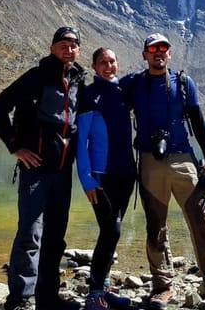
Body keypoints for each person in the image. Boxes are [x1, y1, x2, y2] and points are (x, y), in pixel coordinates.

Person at [123, 33, 205, 310]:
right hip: (149, 161)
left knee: (202, 223)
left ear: (170, 53)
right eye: (153, 49)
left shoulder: (184, 83)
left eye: (163, 48)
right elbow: (107, 104)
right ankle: (162, 287)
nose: (158, 52)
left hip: (184, 160)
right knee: (155, 227)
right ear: (144, 55)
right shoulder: (133, 84)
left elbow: (198, 121)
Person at [0, 26, 86, 310]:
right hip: (36, 169)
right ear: (52, 48)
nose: (68, 49)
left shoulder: (78, 80)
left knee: (55, 236)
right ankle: (19, 298)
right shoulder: (37, 77)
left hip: (63, 171)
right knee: (30, 233)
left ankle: (48, 297)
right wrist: (15, 147)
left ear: (78, 50)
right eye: (63, 44)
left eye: (73, 45)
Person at [76, 48, 136, 310]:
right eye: (103, 62)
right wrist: (87, 179)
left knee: (110, 232)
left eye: (112, 61)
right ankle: (94, 294)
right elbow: (81, 142)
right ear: (94, 66)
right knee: (112, 229)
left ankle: (105, 287)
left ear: (117, 64)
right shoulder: (90, 95)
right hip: (101, 176)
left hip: (127, 174)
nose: (108, 66)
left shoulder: (123, 92)